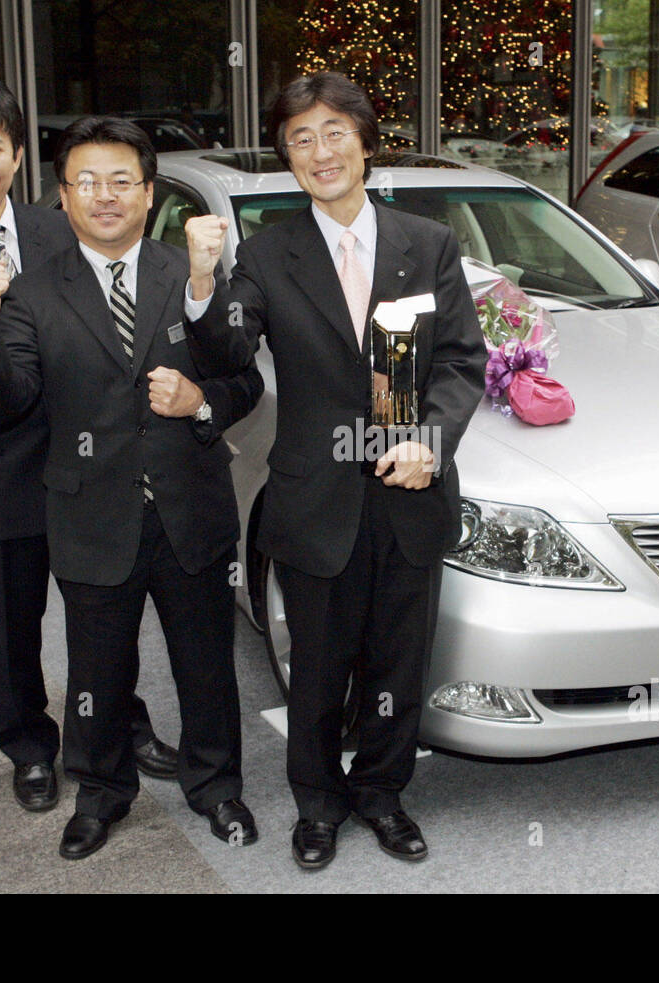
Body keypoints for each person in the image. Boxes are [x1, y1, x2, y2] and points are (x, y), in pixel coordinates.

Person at [198, 72, 486, 870]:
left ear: (365, 140)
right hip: (315, 496)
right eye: (300, 138)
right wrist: (202, 284)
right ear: (286, 155)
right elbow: (225, 347)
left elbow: (463, 360)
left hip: (410, 492)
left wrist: (433, 438)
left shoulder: (425, 243)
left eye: (333, 132)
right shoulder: (266, 251)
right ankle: (318, 804)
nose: (320, 151)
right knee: (318, 669)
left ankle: (384, 794)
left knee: (400, 661)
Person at [0, 116, 263, 860]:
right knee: (97, 668)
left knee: (205, 663)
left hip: (191, 506)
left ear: (148, 192)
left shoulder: (185, 270)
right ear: (62, 197)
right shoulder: (31, 293)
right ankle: (101, 792)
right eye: (86, 181)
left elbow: (240, 371)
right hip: (90, 511)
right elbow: (7, 402)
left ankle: (217, 787)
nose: (105, 196)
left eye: (121, 180)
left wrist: (200, 398)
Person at [0, 78, 178, 813]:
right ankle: (30, 748)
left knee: (103, 614)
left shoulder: (65, 226)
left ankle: (121, 725)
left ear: (18, 157)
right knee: (13, 634)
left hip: (90, 471)